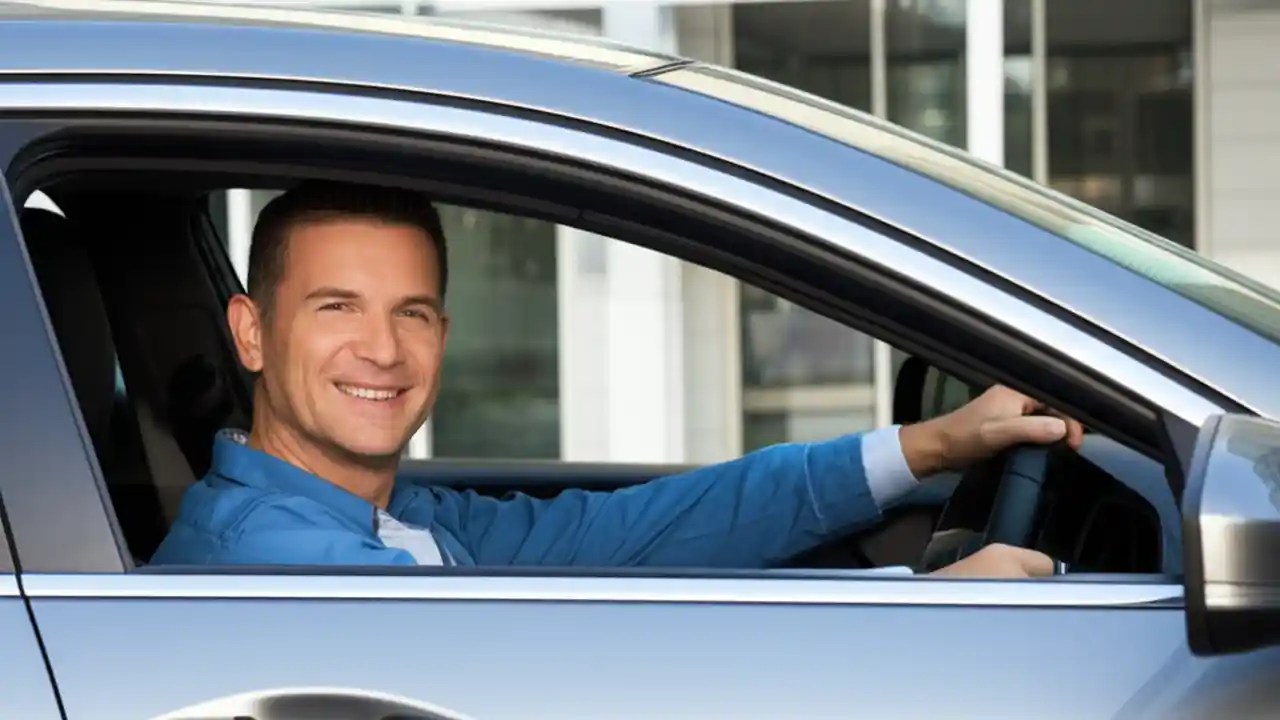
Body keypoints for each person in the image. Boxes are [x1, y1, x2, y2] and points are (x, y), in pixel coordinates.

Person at [150, 181, 1084, 577]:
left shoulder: (402, 519)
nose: (383, 350)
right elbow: (582, 662)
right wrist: (935, 604)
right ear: (252, 333)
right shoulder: (278, 559)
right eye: (336, 307)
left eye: (413, 312)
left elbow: (636, 533)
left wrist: (932, 445)